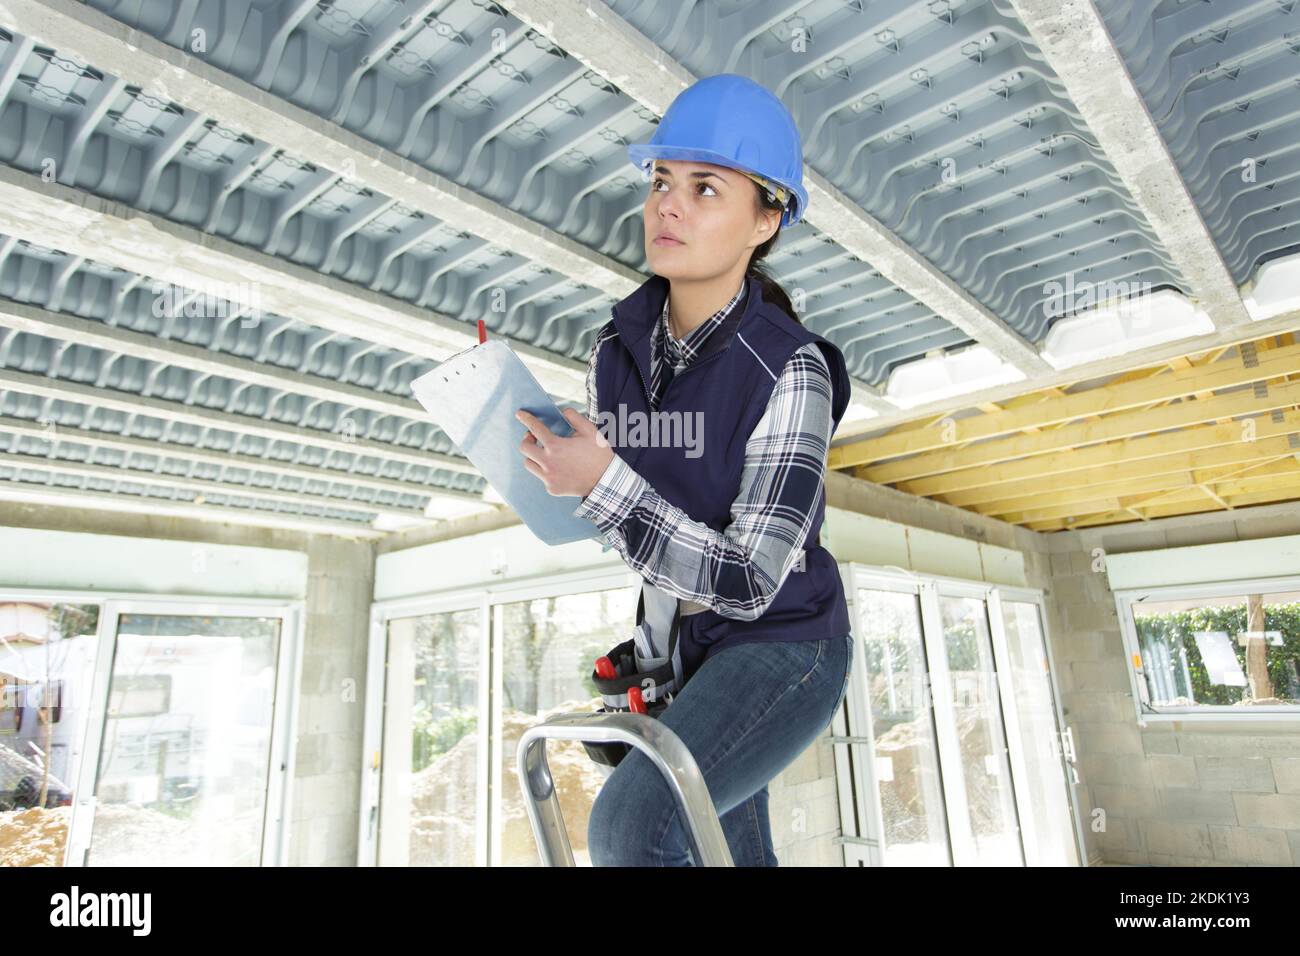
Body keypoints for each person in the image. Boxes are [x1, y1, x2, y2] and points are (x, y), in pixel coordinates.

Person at [514, 73, 855, 866]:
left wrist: (602, 482)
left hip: (785, 645)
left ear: (765, 221)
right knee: (723, 854)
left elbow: (748, 582)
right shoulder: (614, 351)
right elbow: (633, 516)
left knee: (632, 827)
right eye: (663, 181)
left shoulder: (790, 371)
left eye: (706, 188)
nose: (668, 204)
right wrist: (559, 469)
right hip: (687, 652)